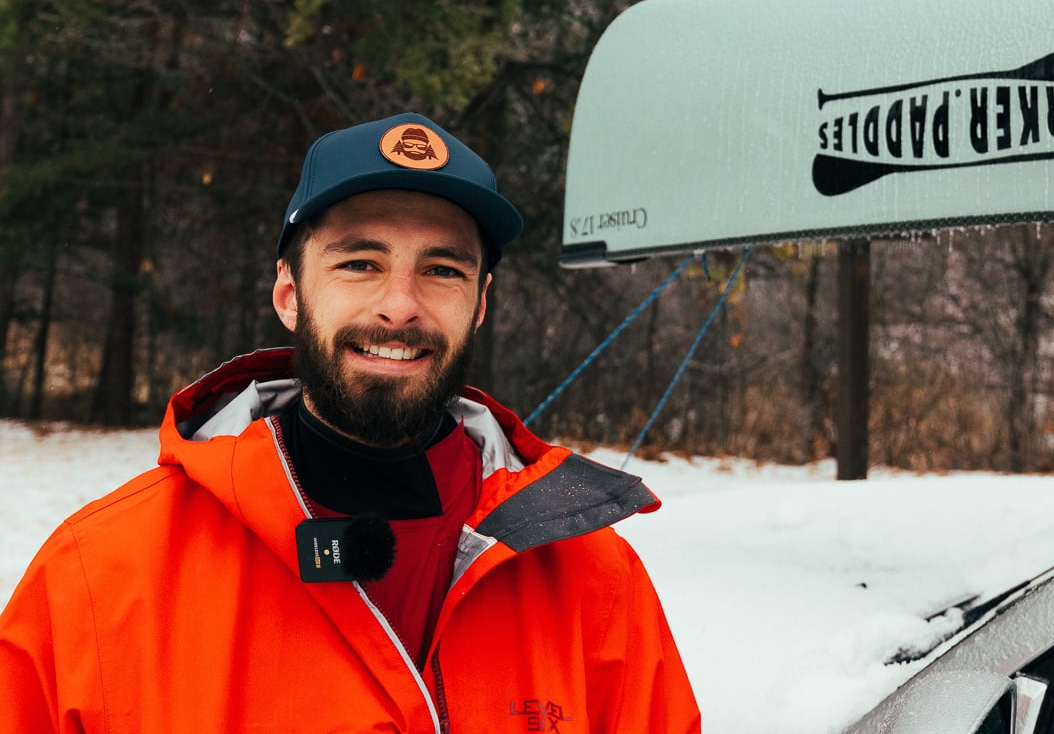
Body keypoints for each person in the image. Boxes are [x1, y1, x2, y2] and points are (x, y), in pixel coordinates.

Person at [0, 112, 701, 732]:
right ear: (289, 293)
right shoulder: (99, 580)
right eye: (360, 262)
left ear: (480, 303)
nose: (399, 305)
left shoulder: (592, 584)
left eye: (443, 269)